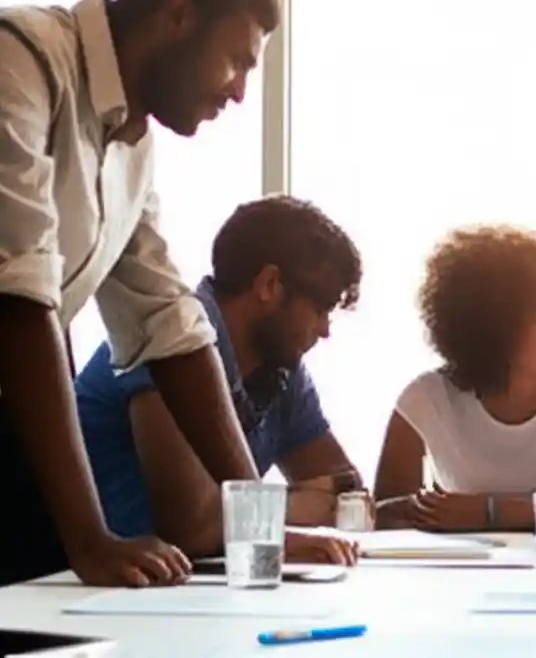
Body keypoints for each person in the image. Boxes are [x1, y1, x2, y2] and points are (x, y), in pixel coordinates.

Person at [0, 0, 300, 587]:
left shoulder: (131, 145)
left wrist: (261, 529)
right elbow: (17, 298)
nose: (242, 94)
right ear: (179, 14)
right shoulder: (21, 55)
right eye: (237, 61)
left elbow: (169, 326)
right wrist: (90, 538)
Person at [75, 196, 363, 564]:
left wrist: (267, 512)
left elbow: (348, 495)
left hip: (172, 592)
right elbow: (193, 528)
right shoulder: (163, 347)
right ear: (269, 284)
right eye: (321, 308)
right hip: (73, 593)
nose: (325, 330)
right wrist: (295, 506)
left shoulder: (281, 368)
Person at [373, 225, 536, 531]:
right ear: (496, 328)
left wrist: (488, 511)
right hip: (459, 571)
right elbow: (385, 517)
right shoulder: (425, 398)